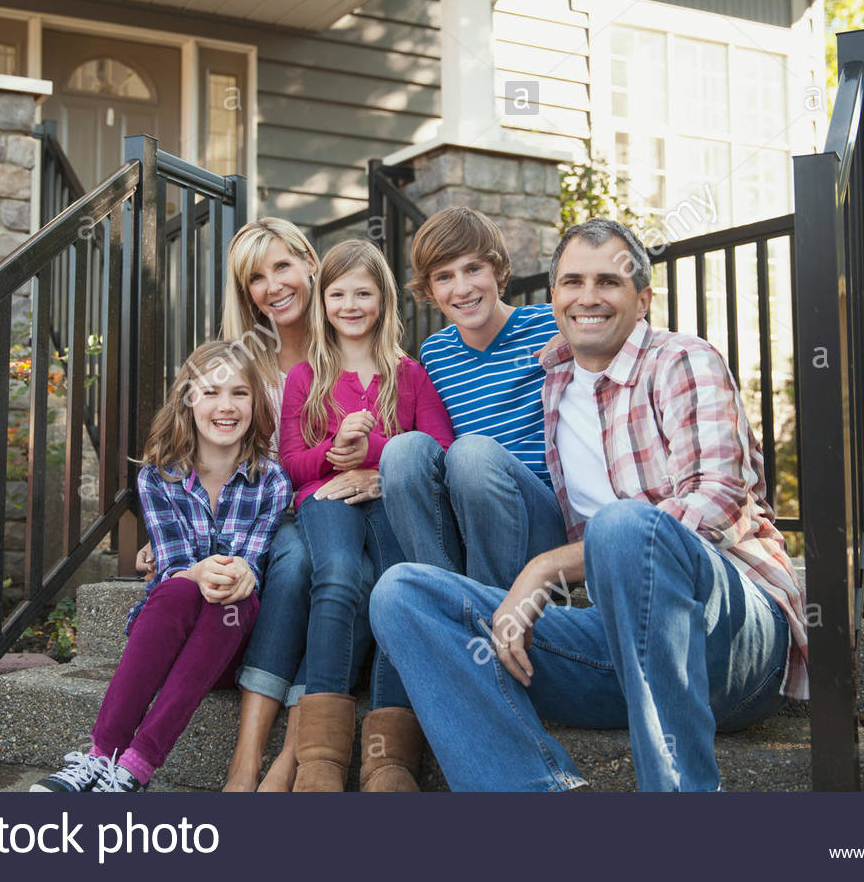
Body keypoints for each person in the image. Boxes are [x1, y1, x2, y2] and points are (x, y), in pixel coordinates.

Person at [371, 218, 810, 792]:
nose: (588, 297)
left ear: (642, 298)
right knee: (402, 593)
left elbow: (719, 502)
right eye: (572, 281)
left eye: (609, 281)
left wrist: (546, 567)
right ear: (552, 297)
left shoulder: (681, 360)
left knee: (623, 527)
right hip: (613, 646)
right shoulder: (553, 378)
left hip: (727, 644)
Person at [32, 341, 290, 792]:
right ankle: (101, 756)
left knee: (232, 601)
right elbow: (173, 566)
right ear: (188, 402)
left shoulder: (272, 481)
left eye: (239, 393)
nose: (225, 406)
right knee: (178, 588)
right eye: (210, 392)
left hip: (232, 645)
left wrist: (240, 572)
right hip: (168, 634)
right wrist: (198, 571)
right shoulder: (158, 476)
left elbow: (248, 563)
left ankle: (136, 766)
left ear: (257, 402)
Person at [280, 238, 454, 792]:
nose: (350, 305)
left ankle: (388, 759)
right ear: (321, 302)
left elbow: (439, 449)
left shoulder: (410, 375)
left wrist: (375, 459)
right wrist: (335, 458)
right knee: (336, 577)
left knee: (396, 587)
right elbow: (291, 464)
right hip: (324, 499)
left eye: (364, 292)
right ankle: (320, 762)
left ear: (383, 300)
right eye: (337, 294)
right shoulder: (305, 378)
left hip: (389, 499)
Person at [213, 218, 379, 793]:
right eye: (256, 278)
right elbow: (208, 452)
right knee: (297, 563)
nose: (272, 285)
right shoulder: (242, 364)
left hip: (345, 508)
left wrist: (374, 472)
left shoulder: (357, 339)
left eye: (282, 265)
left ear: (311, 262)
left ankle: (293, 758)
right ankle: (244, 761)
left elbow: (408, 433)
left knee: (351, 572)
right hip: (275, 516)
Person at [379, 206, 565, 589]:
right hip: (469, 520)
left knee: (472, 452)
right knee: (402, 449)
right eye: (444, 277)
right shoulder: (435, 353)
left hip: (541, 520)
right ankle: (444, 593)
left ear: (498, 270)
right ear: (430, 290)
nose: (461, 289)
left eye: (473, 269)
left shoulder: (551, 324)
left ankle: (486, 604)